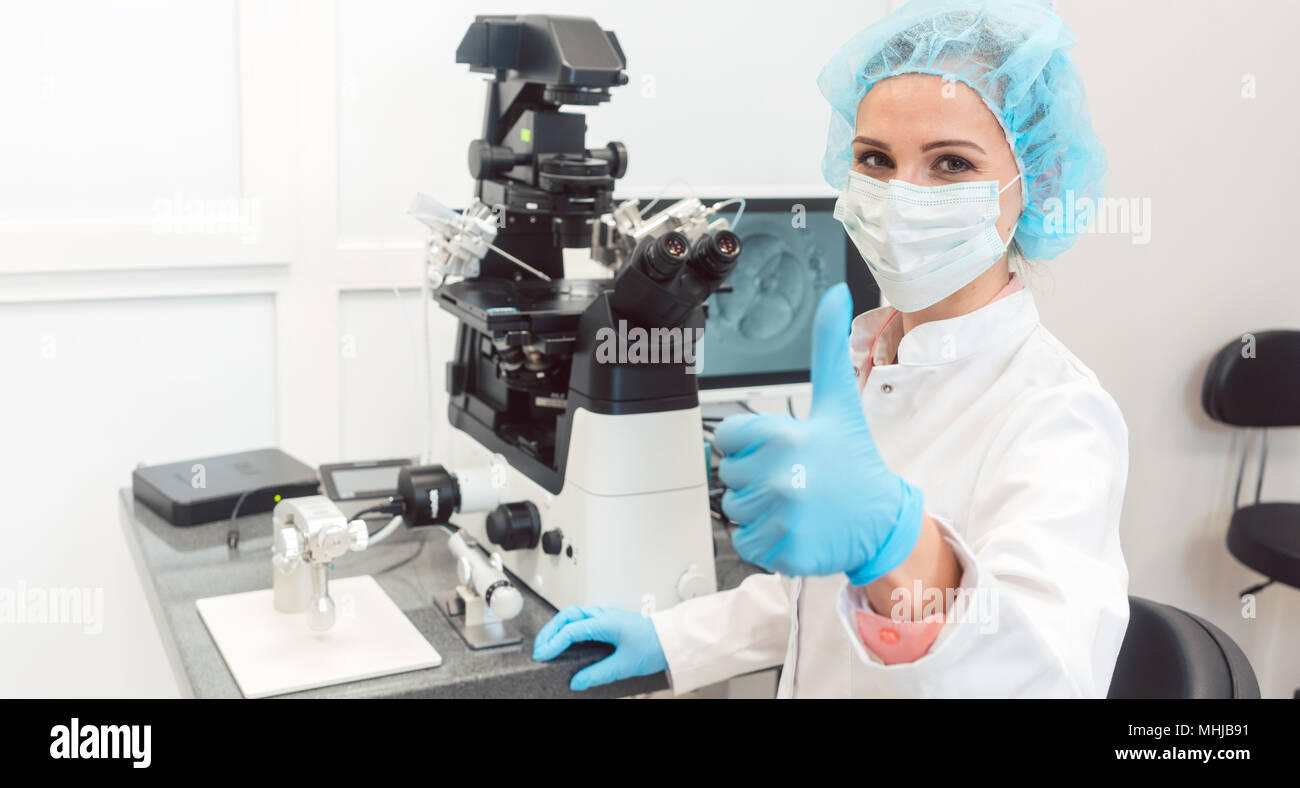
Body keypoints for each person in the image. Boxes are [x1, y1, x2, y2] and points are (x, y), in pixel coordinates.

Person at [533, 0, 1129, 698]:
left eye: (950, 164)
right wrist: (673, 637)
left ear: (1037, 185)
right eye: (875, 158)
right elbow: (813, 599)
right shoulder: (873, 362)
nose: (900, 196)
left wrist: (897, 548)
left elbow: (1043, 676)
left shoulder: (1059, 417)